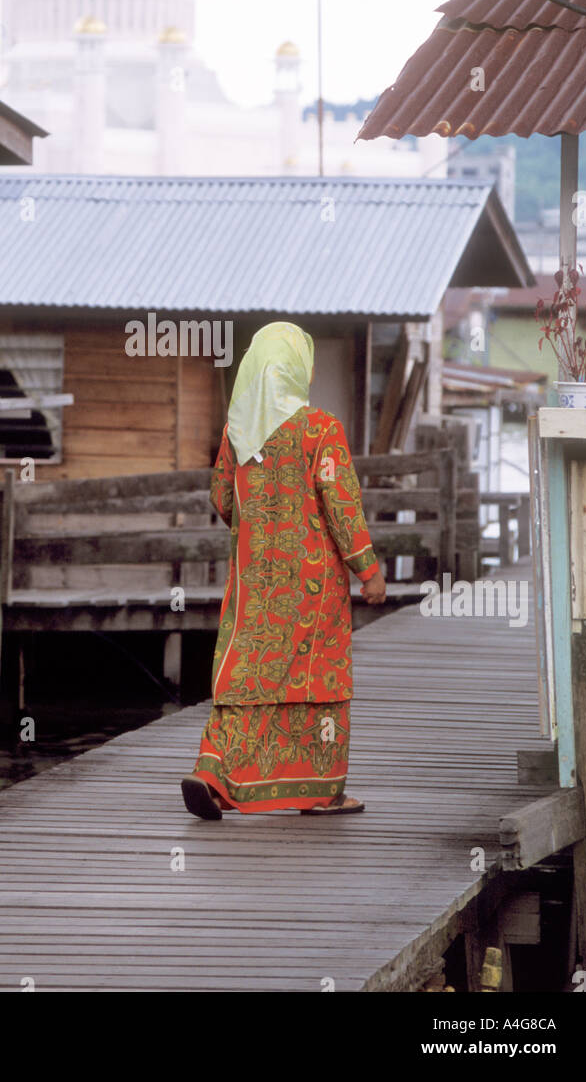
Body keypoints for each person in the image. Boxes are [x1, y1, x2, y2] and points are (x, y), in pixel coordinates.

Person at [181, 321, 386, 820]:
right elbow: (342, 505)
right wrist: (368, 569)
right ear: (298, 370)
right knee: (318, 682)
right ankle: (319, 791)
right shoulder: (320, 429)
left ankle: (212, 772)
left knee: (246, 674)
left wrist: (257, 525)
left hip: (254, 584)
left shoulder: (237, 433)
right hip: (314, 587)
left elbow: (222, 498)